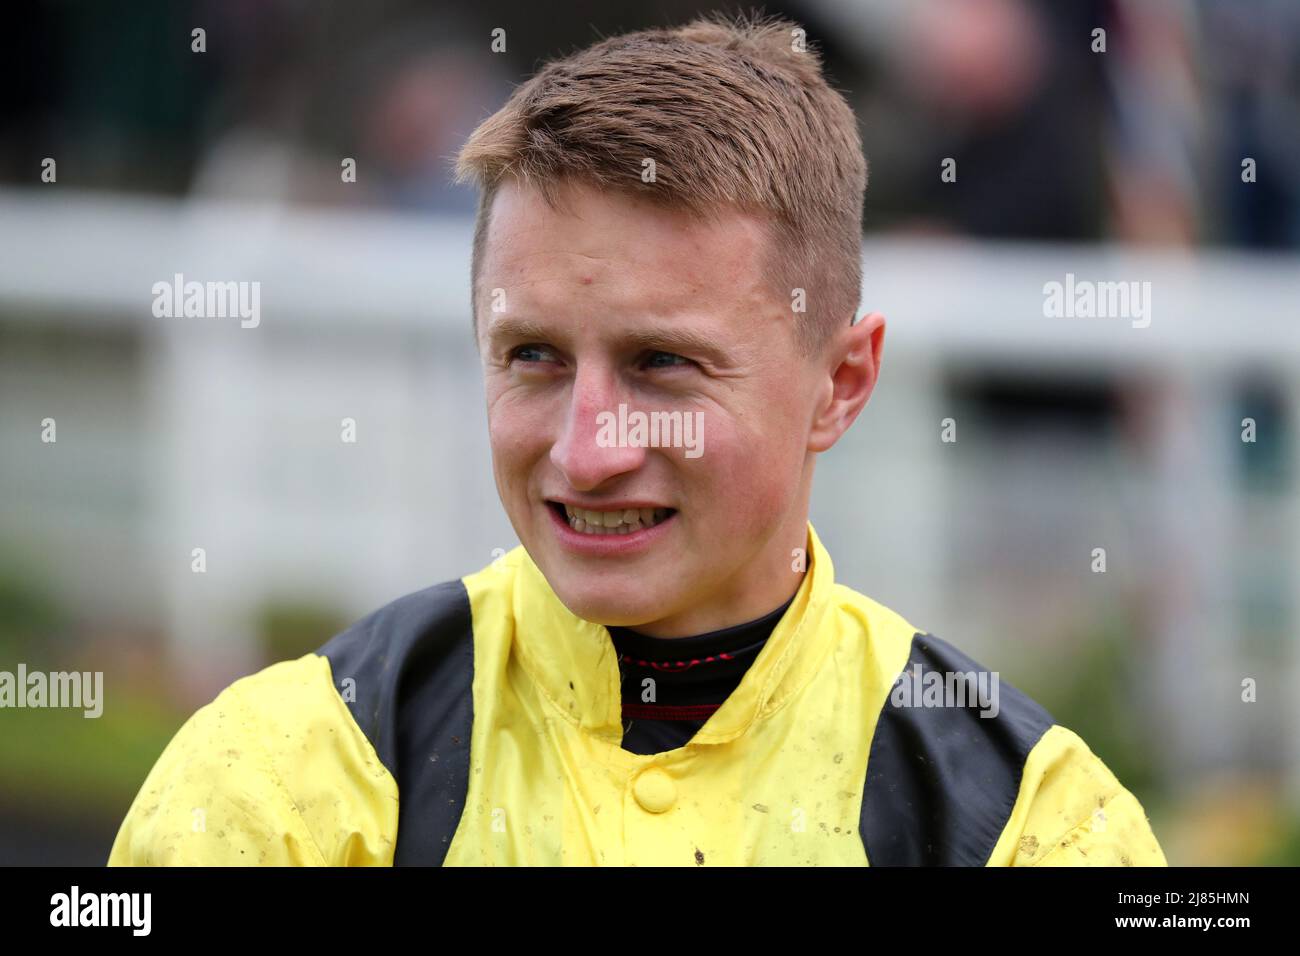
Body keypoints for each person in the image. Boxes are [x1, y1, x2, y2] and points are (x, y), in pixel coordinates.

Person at [108, 12, 1166, 867]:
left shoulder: (1034, 822)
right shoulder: (278, 776)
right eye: (533, 357)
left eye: (662, 362)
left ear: (839, 384)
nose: (588, 448)